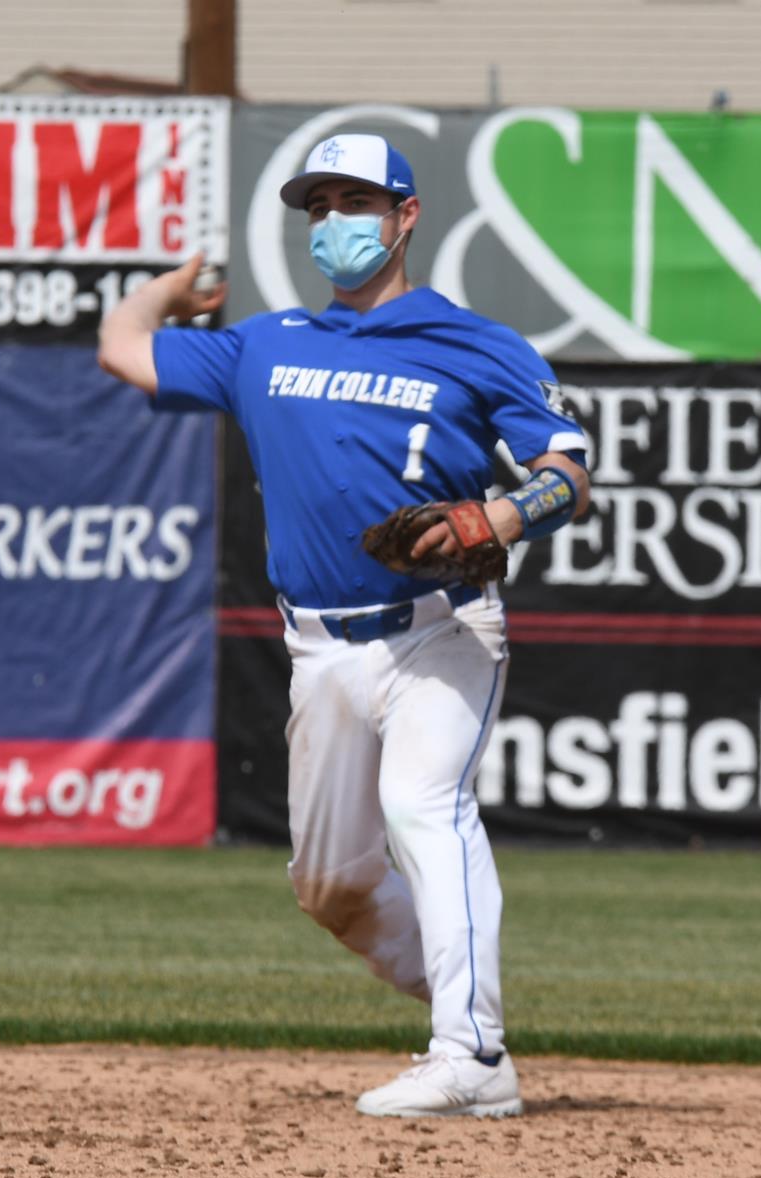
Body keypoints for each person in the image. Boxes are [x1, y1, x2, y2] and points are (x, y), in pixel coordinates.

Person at [97, 133, 592, 1119]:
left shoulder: (475, 342)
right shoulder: (265, 343)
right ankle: (463, 990)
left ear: (406, 217)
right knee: (328, 886)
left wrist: (498, 515)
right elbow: (120, 348)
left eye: (356, 202)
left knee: (422, 803)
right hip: (317, 651)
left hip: (437, 633)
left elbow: (567, 472)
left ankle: (471, 1048)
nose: (333, 224)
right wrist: (170, 290)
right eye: (316, 205)